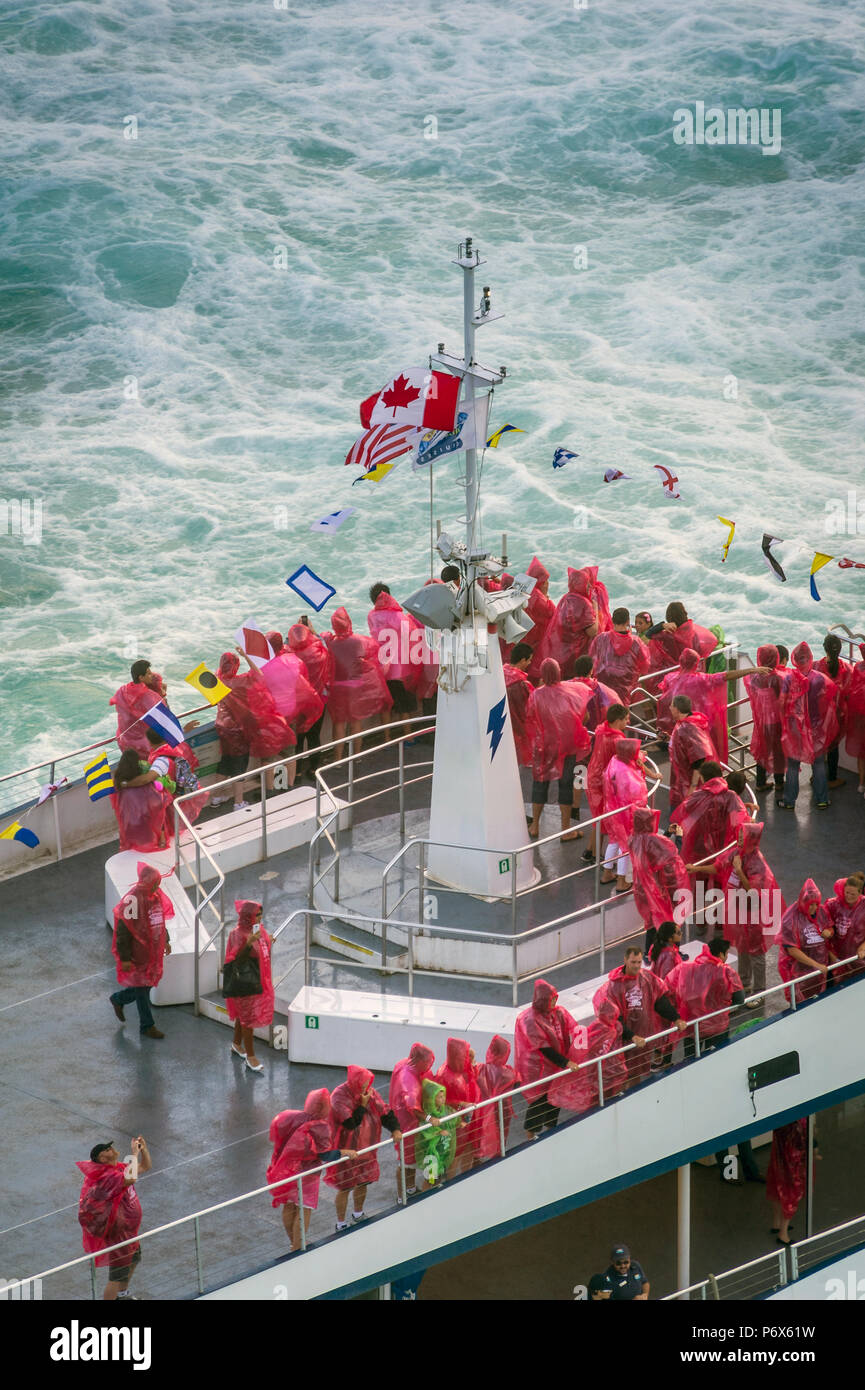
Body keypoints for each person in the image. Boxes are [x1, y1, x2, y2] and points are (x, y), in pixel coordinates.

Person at [700, 822, 782, 999]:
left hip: (754, 913)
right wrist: (695, 868)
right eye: (739, 834)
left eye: (742, 835)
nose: (738, 838)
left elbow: (753, 893)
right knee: (743, 948)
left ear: (751, 839)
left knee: (757, 953)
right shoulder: (738, 853)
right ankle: (744, 985)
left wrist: (738, 869)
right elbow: (717, 866)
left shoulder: (758, 864)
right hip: (740, 912)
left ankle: (759, 992)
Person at [266, 1091, 356, 1251]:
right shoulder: (320, 1126)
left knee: (288, 1205)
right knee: (304, 1208)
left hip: (286, 1170)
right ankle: (298, 1246)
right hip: (307, 1175)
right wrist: (344, 1152)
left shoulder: (292, 1116)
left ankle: (294, 1242)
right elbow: (326, 1154)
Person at [326, 1066, 402, 1229]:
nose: (367, 1087)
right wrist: (363, 1104)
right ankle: (341, 1222)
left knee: (362, 1182)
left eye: (368, 1083)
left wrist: (395, 1129)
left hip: (366, 1149)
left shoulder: (369, 1092)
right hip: (347, 1152)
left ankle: (358, 1213)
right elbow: (351, 1124)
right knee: (345, 1186)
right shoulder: (339, 1097)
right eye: (364, 1083)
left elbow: (385, 1112)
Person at [657, 649, 765, 762]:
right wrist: (752, 670)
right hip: (700, 727)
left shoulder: (669, 678)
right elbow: (727, 675)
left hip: (679, 726)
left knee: (683, 758)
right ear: (696, 663)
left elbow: (664, 697)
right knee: (701, 757)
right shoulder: (702, 679)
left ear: (681, 661)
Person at [216, 648, 295, 801]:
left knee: (225, 761)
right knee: (240, 765)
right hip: (238, 727)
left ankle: (216, 797)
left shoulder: (218, 681)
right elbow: (259, 675)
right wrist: (246, 655)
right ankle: (238, 802)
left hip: (221, 725)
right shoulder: (241, 681)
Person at [77, 1138, 151, 1300]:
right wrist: (134, 1153)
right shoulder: (107, 1177)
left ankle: (122, 1295)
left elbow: (145, 1167)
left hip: (129, 1231)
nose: (112, 1148)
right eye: (107, 1149)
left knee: (133, 1259)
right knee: (116, 1275)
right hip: (119, 1234)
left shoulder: (117, 1168)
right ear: (102, 1159)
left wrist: (143, 1150)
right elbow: (130, 1178)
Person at [526, 658, 591, 840]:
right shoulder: (572, 691)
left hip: (544, 746)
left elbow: (529, 716)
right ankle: (565, 830)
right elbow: (584, 715)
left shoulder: (536, 694)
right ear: (558, 672)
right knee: (566, 786)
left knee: (540, 784)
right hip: (566, 746)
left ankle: (535, 826)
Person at [602, 946, 685, 1084]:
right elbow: (615, 1018)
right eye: (633, 962)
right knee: (622, 1077)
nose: (636, 966)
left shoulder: (647, 978)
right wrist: (631, 1036)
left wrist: (675, 1018)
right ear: (625, 960)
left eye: (639, 962)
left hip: (642, 1038)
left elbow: (660, 1002)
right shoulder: (613, 986)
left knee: (636, 1074)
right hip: (624, 1040)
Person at [109, 862, 173, 1039]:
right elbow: (123, 930)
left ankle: (119, 999)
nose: (157, 886)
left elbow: (159, 919)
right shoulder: (133, 900)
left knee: (145, 985)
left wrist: (165, 940)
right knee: (142, 987)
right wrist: (125, 958)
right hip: (137, 953)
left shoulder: (154, 896)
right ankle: (147, 1025)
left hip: (150, 951)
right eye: (155, 883)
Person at [514, 979, 580, 1139]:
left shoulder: (558, 1013)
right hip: (538, 1069)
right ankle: (531, 1134)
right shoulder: (530, 1019)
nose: (555, 1002)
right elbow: (544, 1048)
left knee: (555, 1096)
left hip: (555, 1066)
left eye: (555, 998)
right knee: (539, 1100)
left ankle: (551, 1129)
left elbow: (571, 1029)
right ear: (543, 999)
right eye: (552, 999)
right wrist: (566, 1062)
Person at [323, 607, 393, 759]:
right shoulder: (357, 641)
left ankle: (338, 758)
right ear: (349, 622)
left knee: (339, 723)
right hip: (356, 686)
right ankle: (357, 755)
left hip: (338, 688)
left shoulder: (331, 643)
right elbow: (367, 656)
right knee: (356, 721)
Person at [778, 641, 840, 810]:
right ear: (810, 658)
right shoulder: (820, 678)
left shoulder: (789, 678)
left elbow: (782, 703)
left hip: (795, 728)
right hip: (816, 728)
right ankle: (822, 800)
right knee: (819, 764)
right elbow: (830, 699)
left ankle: (789, 801)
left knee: (792, 766)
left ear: (795, 659)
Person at [547, 989, 628, 1113]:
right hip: (599, 1069)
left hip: (599, 1069)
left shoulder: (606, 1027)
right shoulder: (607, 1029)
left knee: (601, 1094)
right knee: (600, 1095)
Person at [664, 938, 745, 1059]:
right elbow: (740, 999)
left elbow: (667, 987)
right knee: (716, 1059)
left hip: (691, 1027)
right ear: (720, 954)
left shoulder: (685, 968)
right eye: (727, 953)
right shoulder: (727, 972)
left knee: (690, 1061)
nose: (727, 956)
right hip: (717, 1026)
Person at [259, 634, 324, 780]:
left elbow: (256, 689)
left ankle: (269, 790)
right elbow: (303, 684)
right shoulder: (295, 661)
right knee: (290, 753)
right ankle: (290, 784)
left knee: (268, 757)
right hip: (291, 712)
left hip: (272, 716)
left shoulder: (263, 667)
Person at [630, 810, 690, 953]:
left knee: (652, 921)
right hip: (661, 888)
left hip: (643, 888)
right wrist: (679, 837)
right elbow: (672, 859)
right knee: (671, 922)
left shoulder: (633, 839)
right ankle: (673, 953)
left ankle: (649, 953)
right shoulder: (653, 840)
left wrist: (667, 835)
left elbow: (653, 853)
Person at [224, 900, 273, 1073]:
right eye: (256, 915)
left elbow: (261, 951)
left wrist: (268, 941)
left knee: (242, 1015)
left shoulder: (258, 930)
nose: (259, 918)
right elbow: (235, 960)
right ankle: (251, 1057)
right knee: (247, 1018)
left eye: (260, 915)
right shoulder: (237, 934)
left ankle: (237, 1044)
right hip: (244, 982)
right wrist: (248, 942)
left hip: (256, 979)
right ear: (247, 916)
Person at [677, 761, 749, 875]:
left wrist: (694, 784)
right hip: (722, 843)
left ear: (702, 777)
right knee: (719, 870)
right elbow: (738, 819)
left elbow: (684, 810)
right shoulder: (730, 795)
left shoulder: (697, 796)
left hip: (699, 843)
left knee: (698, 874)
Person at [367, 583, 419, 736]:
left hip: (381, 667)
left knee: (386, 706)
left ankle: (387, 739)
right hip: (400, 669)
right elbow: (411, 636)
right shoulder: (399, 616)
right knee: (404, 705)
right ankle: (408, 738)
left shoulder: (371, 616)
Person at [600, 737, 649, 891]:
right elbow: (637, 792)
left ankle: (607, 873)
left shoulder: (614, 761)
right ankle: (621, 881)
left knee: (614, 841)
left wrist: (640, 757)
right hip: (624, 813)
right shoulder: (626, 772)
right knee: (625, 845)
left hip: (611, 809)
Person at [287, 620, 334, 777]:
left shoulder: (290, 654)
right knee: (314, 736)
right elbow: (327, 651)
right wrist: (313, 632)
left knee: (298, 739)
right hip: (318, 699)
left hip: (298, 702)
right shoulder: (319, 651)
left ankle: (298, 772)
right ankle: (314, 769)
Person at [389, 1042, 436, 1197]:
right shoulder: (409, 1080)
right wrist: (430, 1118)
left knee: (407, 1161)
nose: (429, 1066)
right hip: (407, 1124)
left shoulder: (403, 1065)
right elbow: (413, 1107)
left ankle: (408, 1189)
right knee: (405, 1161)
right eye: (428, 1063)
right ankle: (402, 1195)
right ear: (421, 1061)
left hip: (402, 1120)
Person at [584, 703, 629, 863]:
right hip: (603, 783)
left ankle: (589, 851)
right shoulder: (616, 739)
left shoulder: (601, 730)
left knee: (598, 818)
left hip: (592, 777)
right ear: (618, 720)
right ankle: (596, 858)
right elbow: (625, 761)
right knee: (603, 821)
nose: (627, 722)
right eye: (625, 719)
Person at [536, 567, 600, 679]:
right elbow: (592, 631)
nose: (589, 586)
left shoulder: (565, 598)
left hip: (561, 653)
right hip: (576, 655)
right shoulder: (584, 603)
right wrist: (596, 609)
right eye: (587, 584)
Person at [775, 879, 834, 1002]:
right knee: (799, 1002)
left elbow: (830, 926)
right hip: (798, 971)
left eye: (816, 904)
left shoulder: (821, 911)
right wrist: (816, 965)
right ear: (803, 902)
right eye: (811, 904)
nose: (814, 908)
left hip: (819, 967)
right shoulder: (790, 918)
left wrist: (829, 931)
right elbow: (792, 950)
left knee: (819, 999)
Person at [144, 724, 208, 830]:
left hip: (171, 798)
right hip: (182, 791)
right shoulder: (176, 747)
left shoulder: (160, 761)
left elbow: (148, 778)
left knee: (173, 827)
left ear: (150, 742)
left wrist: (127, 782)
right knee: (181, 823)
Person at [111, 749, 173, 851]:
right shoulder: (143, 779)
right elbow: (159, 802)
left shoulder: (119, 781)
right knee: (160, 813)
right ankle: (161, 838)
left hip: (130, 818)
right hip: (146, 813)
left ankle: (129, 844)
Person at [435, 1038, 481, 1174]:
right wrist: (461, 1104)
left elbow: (472, 1078)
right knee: (454, 1152)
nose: (467, 1058)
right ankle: (452, 1180)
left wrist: (472, 1061)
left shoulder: (458, 1067)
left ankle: (465, 1175)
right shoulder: (445, 1074)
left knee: (467, 1146)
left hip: (466, 1115)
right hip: (455, 1119)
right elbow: (440, 1101)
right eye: (465, 1055)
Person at [745, 645, 786, 797]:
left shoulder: (753, 677)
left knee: (763, 750)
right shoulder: (779, 678)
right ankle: (779, 782)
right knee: (778, 751)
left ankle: (760, 783)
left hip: (761, 720)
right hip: (777, 721)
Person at [589, 607, 651, 706]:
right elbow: (645, 665)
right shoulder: (636, 641)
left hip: (605, 682)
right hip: (627, 684)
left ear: (613, 620)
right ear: (628, 622)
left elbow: (592, 660)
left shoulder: (600, 638)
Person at [816, 633, 853, 790]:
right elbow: (850, 692)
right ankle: (831, 778)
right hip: (838, 715)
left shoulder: (817, 666)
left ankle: (816, 775)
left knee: (820, 744)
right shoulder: (846, 668)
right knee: (833, 746)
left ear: (824, 648)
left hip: (820, 713)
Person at [668, 695, 717, 813]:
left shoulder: (688, 728)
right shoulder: (685, 723)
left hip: (688, 785)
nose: (669, 708)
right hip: (682, 782)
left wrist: (692, 788)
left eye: (671, 705)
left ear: (677, 709)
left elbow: (699, 759)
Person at [475, 1036, 522, 1161]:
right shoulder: (510, 1073)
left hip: (483, 1109)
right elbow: (518, 1081)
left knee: (480, 1135)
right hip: (503, 1109)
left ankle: (477, 1160)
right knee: (501, 1133)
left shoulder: (480, 1069)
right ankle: (498, 1158)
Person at [766, 1118, 808, 1244]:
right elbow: (798, 1145)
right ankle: (783, 1233)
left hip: (778, 1158)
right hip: (791, 1162)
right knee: (791, 1193)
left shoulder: (781, 1117)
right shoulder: (797, 1124)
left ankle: (776, 1223)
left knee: (777, 1188)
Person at [110, 661, 165, 758]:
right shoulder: (148, 696)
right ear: (141, 677)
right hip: (145, 744)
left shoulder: (123, 690)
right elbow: (162, 716)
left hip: (125, 741)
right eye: (148, 673)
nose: (151, 675)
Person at [647, 601, 717, 674]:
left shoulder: (666, 635)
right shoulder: (693, 632)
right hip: (694, 671)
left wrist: (662, 625)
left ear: (668, 616)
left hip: (674, 673)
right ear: (684, 614)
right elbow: (702, 650)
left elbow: (649, 634)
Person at [415, 1079, 460, 1187]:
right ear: (432, 1099)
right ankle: (425, 1196)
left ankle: (434, 1189)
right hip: (431, 1154)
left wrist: (459, 1121)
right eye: (440, 1097)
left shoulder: (444, 1110)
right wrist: (439, 1132)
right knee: (430, 1178)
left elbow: (453, 1118)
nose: (443, 1099)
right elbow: (425, 1130)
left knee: (438, 1177)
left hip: (442, 1151)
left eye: (443, 1096)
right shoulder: (428, 1115)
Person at [503, 642, 538, 768]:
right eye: (529, 660)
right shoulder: (523, 685)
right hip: (521, 736)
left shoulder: (497, 676)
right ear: (523, 660)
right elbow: (534, 708)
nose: (529, 663)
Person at [824, 875, 865, 979]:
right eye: (847, 892)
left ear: (860, 893)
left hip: (859, 956)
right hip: (835, 957)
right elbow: (823, 927)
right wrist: (831, 955)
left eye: (853, 894)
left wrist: (863, 946)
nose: (849, 896)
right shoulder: (832, 904)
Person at [571, 655, 619, 732]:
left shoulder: (569, 686)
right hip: (594, 729)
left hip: (575, 730)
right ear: (591, 671)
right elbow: (605, 708)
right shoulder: (597, 687)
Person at [844, 642, 865, 792]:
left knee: (862, 753)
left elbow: (851, 688)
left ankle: (861, 784)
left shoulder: (857, 667)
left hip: (859, 717)